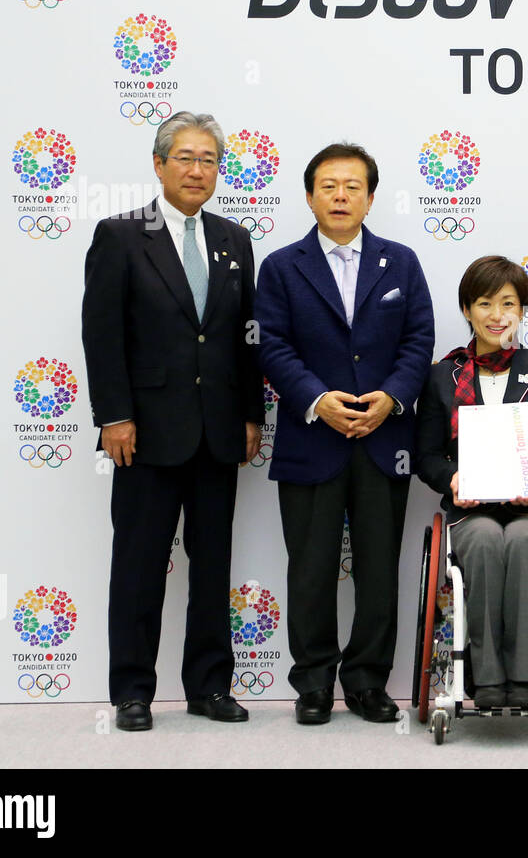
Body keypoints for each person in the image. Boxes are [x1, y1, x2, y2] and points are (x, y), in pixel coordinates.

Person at [82, 111, 263, 732]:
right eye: (184, 157)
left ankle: (210, 687)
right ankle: (132, 691)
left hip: (218, 430)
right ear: (159, 165)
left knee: (212, 564)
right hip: (145, 432)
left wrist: (250, 415)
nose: (196, 169)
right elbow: (102, 336)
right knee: (138, 562)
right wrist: (114, 415)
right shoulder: (121, 235)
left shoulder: (235, 240)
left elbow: (245, 340)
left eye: (208, 159)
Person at [255, 143, 434, 725]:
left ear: (370, 197)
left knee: (380, 569)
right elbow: (272, 344)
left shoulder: (400, 262)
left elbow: (419, 339)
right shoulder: (281, 267)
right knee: (310, 569)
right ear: (308, 196)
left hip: (385, 441)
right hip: (313, 440)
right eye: (328, 185)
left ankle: (367, 682)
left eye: (352, 186)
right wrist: (315, 400)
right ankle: (312, 684)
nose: (340, 195)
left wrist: (393, 398)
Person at [416, 256, 528, 708]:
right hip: (470, 511)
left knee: (526, 541)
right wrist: (451, 478)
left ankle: (526, 673)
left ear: (523, 310)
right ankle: (485, 676)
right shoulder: (442, 376)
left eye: (508, 304)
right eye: (485, 303)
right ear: (467, 309)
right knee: (488, 540)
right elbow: (425, 455)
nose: (497, 315)